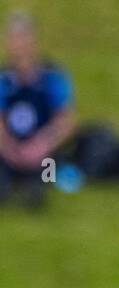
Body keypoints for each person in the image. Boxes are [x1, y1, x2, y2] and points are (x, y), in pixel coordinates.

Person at [0, 12, 75, 208]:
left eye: (24, 38)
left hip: (43, 151)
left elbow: (65, 121)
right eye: (15, 39)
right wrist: (9, 148)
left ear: (33, 40)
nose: (20, 45)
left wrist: (41, 145)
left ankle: (37, 184)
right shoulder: (4, 79)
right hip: (9, 149)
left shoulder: (52, 76)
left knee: (41, 186)